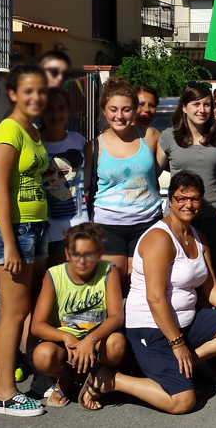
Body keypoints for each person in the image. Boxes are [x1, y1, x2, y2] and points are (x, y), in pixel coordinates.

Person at [80, 171, 216, 414]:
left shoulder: (198, 237)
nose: (188, 204)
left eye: (194, 198)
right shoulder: (159, 238)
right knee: (183, 402)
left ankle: (186, 363)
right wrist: (177, 343)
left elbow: (210, 285)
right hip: (152, 326)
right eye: (181, 198)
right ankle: (110, 379)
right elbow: (155, 297)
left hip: (186, 320)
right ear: (170, 200)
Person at [0, 66, 50, 416]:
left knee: (27, 309)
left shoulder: (32, 131)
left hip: (35, 228)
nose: (36, 97)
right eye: (28, 91)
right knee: (13, 313)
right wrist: (9, 243)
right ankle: (4, 393)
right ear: (13, 94)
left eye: (41, 91)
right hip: (13, 232)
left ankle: (32, 376)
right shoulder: (8, 131)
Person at [29, 223, 126, 409]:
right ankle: (70, 378)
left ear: (99, 253)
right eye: (76, 254)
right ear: (67, 254)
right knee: (42, 357)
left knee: (116, 346)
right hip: (66, 337)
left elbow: (116, 317)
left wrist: (90, 339)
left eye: (89, 254)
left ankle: (97, 377)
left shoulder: (108, 270)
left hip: (97, 336)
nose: (82, 261)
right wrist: (66, 336)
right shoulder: (54, 275)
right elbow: (37, 325)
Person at [85, 78, 163, 282]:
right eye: (113, 109)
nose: (119, 116)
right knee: (113, 282)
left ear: (135, 110)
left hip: (148, 221)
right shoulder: (94, 147)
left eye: (126, 109)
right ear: (104, 110)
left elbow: (176, 159)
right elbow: (82, 187)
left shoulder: (151, 136)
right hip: (107, 225)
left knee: (143, 279)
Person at [157, 82, 216, 284]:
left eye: (207, 104)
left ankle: (210, 315)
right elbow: (153, 173)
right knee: (179, 275)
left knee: (212, 275)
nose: (202, 110)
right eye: (196, 104)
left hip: (214, 215)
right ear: (184, 107)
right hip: (180, 216)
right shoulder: (168, 137)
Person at [40, 87, 88, 268]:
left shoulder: (79, 140)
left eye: (61, 108)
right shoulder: (35, 143)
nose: (55, 114)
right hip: (48, 231)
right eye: (49, 109)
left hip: (80, 227)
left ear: (69, 111)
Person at [38, 50, 81, 133]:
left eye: (65, 74)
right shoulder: (23, 116)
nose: (60, 78)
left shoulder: (70, 119)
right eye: (54, 72)